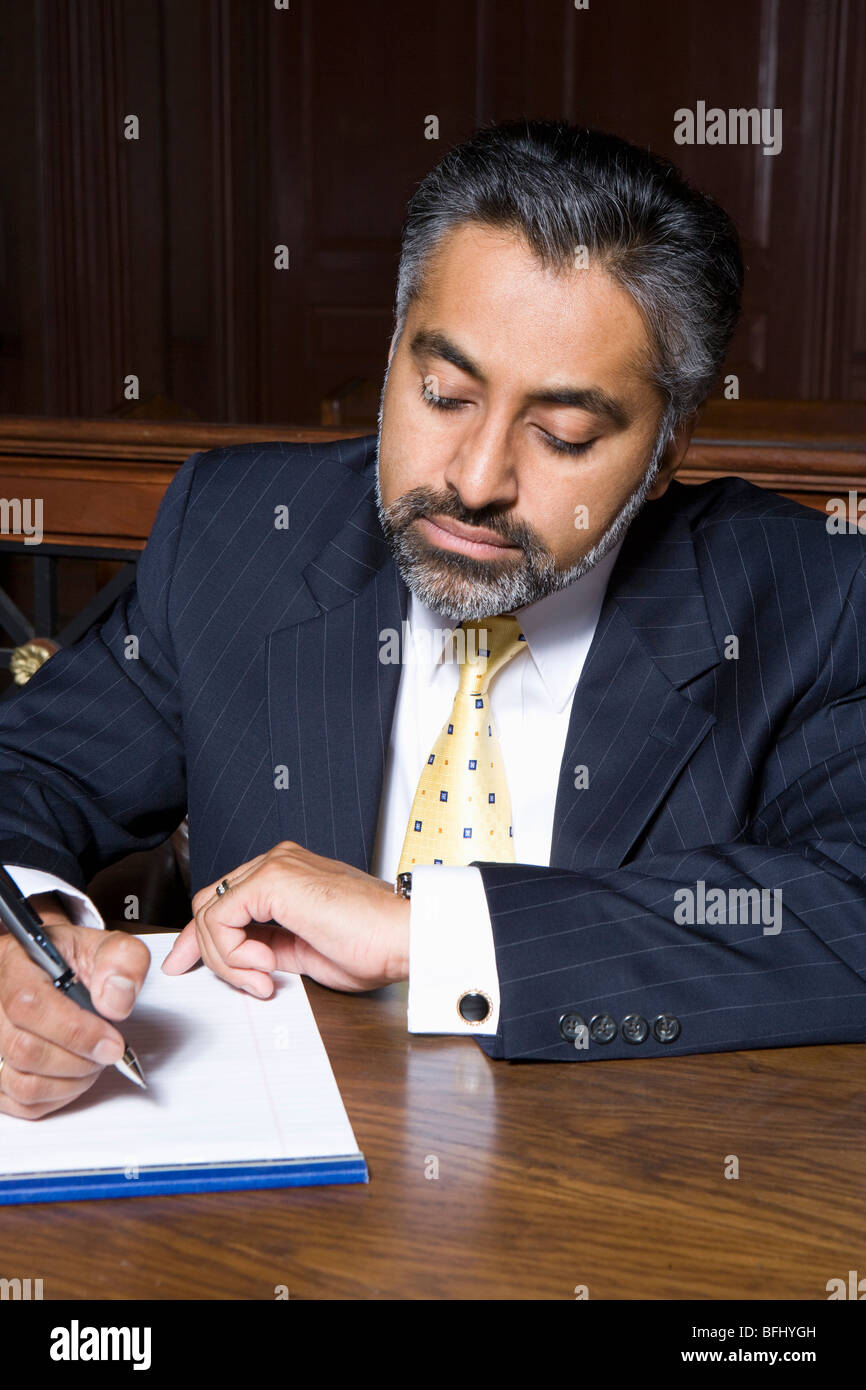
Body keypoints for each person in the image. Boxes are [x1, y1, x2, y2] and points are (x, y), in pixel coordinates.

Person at [1, 119, 864, 1120]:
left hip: (631, 1181)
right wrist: (25, 932)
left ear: (667, 448)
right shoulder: (237, 533)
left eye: (562, 434)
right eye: (444, 394)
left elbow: (848, 912)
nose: (475, 479)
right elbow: (32, 772)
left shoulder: (808, 596)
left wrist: (436, 935)